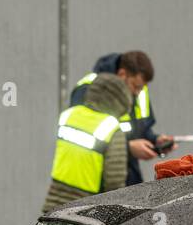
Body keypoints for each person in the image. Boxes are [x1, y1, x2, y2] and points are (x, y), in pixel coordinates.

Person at [71, 51, 173, 185]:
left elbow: (139, 128)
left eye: (141, 88)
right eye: (136, 87)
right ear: (122, 74)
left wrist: (155, 140)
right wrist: (128, 148)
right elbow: (80, 138)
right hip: (94, 182)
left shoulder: (138, 91)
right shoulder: (89, 89)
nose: (138, 93)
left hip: (129, 180)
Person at [42, 71, 131, 213]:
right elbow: (114, 180)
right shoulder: (111, 127)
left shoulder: (68, 115)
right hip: (85, 208)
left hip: (54, 202)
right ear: (120, 100)